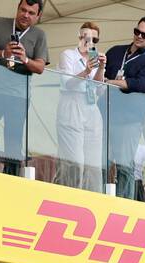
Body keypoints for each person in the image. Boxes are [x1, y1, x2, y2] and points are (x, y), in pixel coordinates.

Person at [0, 0, 49, 176]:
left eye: (31, 13)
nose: (25, 15)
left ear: (38, 16)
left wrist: (25, 59)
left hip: (18, 97)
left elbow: (40, 67)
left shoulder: (39, 35)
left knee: (13, 142)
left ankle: (11, 181)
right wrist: (3, 53)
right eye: (23, 10)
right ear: (17, 8)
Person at [102, 17, 145, 200]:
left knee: (124, 166)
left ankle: (121, 206)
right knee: (100, 162)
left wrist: (112, 82)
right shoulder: (115, 51)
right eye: (137, 31)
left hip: (129, 120)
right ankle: (98, 199)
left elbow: (142, 84)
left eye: (144, 34)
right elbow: (99, 76)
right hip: (105, 113)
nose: (139, 36)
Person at [56, 22, 105, 191]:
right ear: (80, 37)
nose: (89, 41)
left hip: (91, 108)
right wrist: (85, 71)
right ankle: (67, 197)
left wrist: (101, 68)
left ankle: (93, 201)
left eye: (93, 39)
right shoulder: (68, 54)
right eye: (86, 37)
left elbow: (99, 90)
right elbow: (66, 83)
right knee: (74, 162)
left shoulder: (95, 57)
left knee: (94, 166)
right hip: (72, 104)